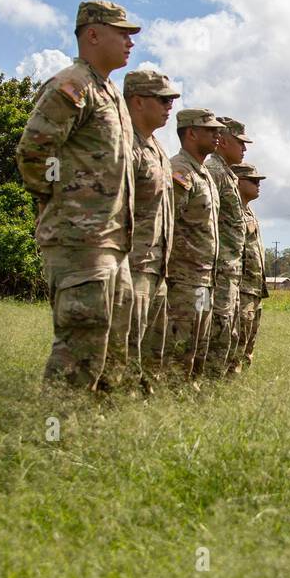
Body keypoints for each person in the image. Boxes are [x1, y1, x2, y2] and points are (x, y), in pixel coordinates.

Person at [16, 0, 138, 393]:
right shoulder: (72, 86)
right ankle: (57, 434)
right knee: (79, 346)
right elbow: (34, 153)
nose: (130, 42)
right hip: (79, 242)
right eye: (123, 33)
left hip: (112, 243)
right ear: (93, 34)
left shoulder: (111, 94)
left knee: (110, 348)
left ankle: (95, 433)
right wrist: (59, 202)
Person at [123, 69, 179, 394]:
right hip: (131, 267)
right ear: (138, 100)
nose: (168, 106)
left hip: (157, 270)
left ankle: (142, 410)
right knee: (124, 352)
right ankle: (115, 412)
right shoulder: (123, 144)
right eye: (163, 99)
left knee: (150, 355)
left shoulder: (156, 147)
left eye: (171, 100)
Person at [166, 108, 225, 387]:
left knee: (197, 349)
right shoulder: (180, 169)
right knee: (179, 351)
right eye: (210, 130)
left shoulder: (204, 175)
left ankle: (190, 401)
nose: (217, 135)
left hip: (204, 282)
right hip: (183, 280)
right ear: (191, 133)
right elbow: (166, 220)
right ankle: (167, 406)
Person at [205, 116, 250, 377]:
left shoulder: (228, 175)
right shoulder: (215, 172)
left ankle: (217, 384)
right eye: (240, 142)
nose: (244, 149)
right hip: (217, 271)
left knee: (227, 331)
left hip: (229, 272)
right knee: (215, 330)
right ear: (222, 141)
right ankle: (206, 386)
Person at [232, 162, 268, 371]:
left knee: (249, 343)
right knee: (238, 338)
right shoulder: (233, 211)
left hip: (254, 289)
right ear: (237, 181)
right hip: (241, 288)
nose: (258, 185)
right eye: (253, 181)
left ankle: (240, 381)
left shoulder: (250, 211)